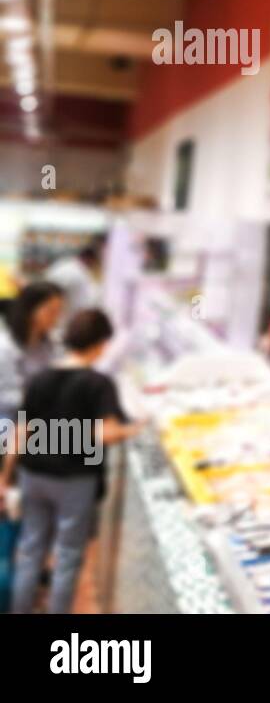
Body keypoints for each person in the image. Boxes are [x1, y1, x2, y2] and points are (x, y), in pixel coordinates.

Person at [0, 309, 138, 614]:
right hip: (75, 478)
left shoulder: (39, 379)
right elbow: (106, 434)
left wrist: (5, 477)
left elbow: (21, 432)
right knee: (68, 555)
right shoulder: (98, 383)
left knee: (30, 550)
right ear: (101, 343)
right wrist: (136, 427)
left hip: (34, 474)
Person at [0, 282, 64, 426]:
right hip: (11, 419)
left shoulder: (52, 344)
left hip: (42, 417)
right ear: (30, 309)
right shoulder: (5, 347)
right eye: (50, 311)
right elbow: (6, 397)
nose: (56, 318)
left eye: (59, 311)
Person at [44, 241, 103, 323]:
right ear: (90, 259)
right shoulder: (80, 273)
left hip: (55, 318)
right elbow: (86, 303)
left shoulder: (62, 264)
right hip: (64, 321)